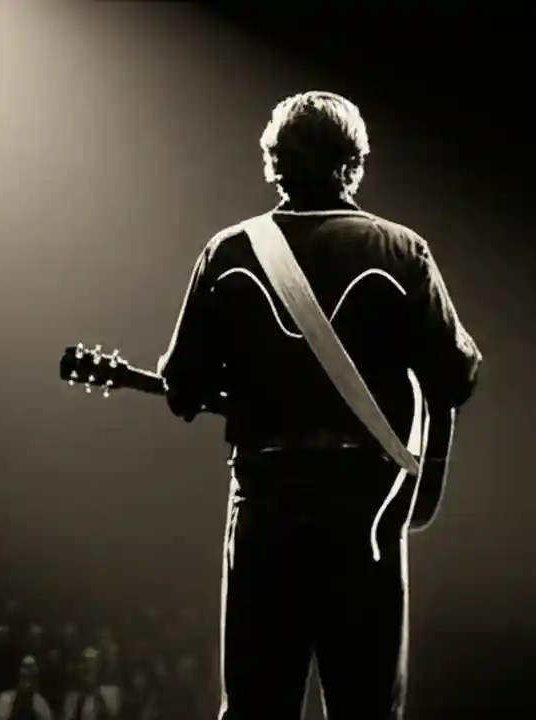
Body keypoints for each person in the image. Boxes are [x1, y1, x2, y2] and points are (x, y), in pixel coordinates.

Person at [157, 90, 481, 719]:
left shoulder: (228, 255)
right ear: (352, 164)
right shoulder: (400, 252)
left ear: (273, 162)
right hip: (367, 516)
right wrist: (424, 467)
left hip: (264, 512)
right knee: (365, 706)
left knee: (255, 706)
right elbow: (458, 374)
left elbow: (181, 389)